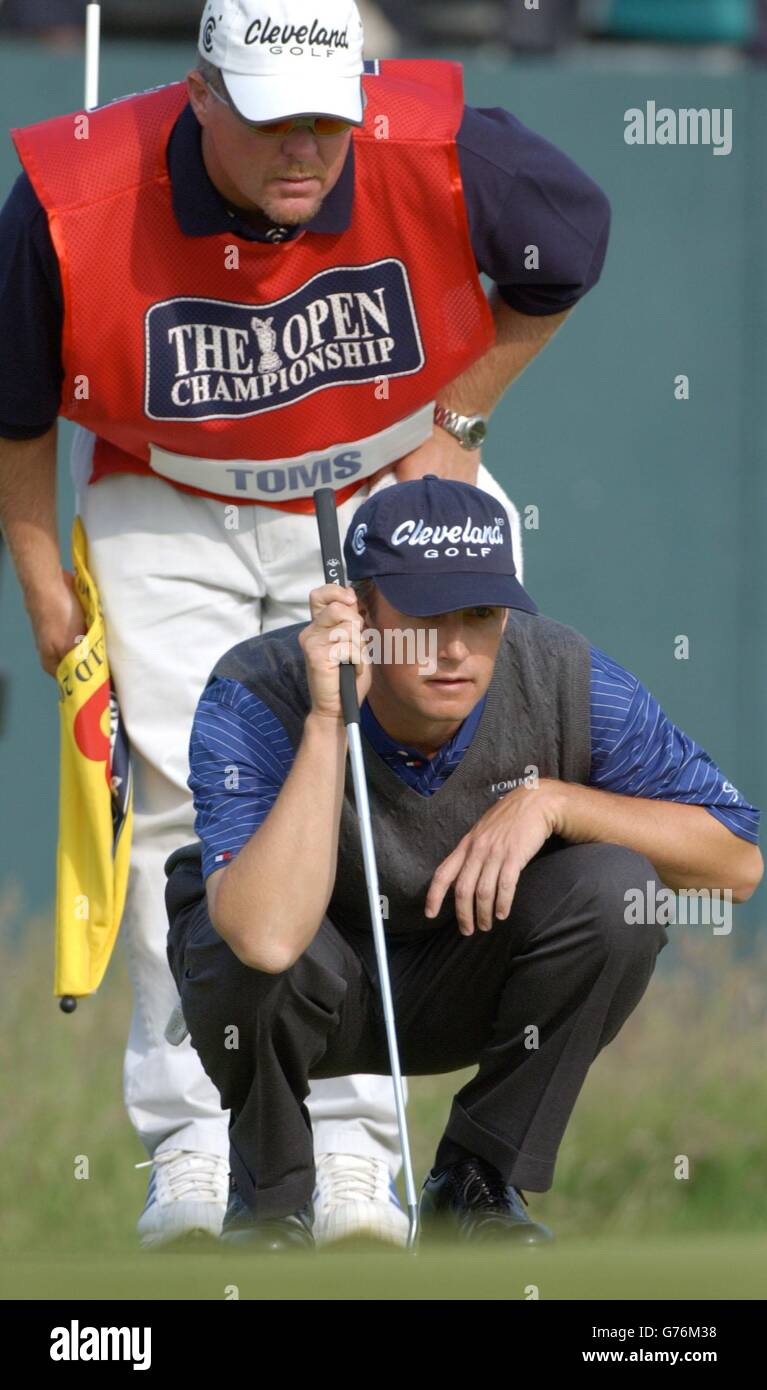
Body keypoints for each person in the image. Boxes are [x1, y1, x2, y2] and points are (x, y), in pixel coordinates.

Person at [0, 0, 611, 1249]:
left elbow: (569, 242)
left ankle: (352, 1157)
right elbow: (14, 399)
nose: (308, 152)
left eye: (330, 121)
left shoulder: (434, 144)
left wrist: (463, 415)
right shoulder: (73, 190)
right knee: (188, 810)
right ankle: (196, 1145)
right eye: (276, 121)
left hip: (381, 481)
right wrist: (36, 569)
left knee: (388, 795)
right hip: (170, 498)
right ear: (201, 94)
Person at [165, 475, 763, 1250]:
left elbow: (736, 864)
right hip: (313, 980)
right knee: (238, 929)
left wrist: (556, 802)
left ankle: (475, 1181)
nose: (453, 649)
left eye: (479, 615)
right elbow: (267, 938)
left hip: (466, 975)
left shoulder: (564, 674)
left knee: (619, 891)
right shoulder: (256, 690)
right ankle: (270, 1200)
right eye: (422, 615)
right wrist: (324, 718)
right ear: (361, 610)